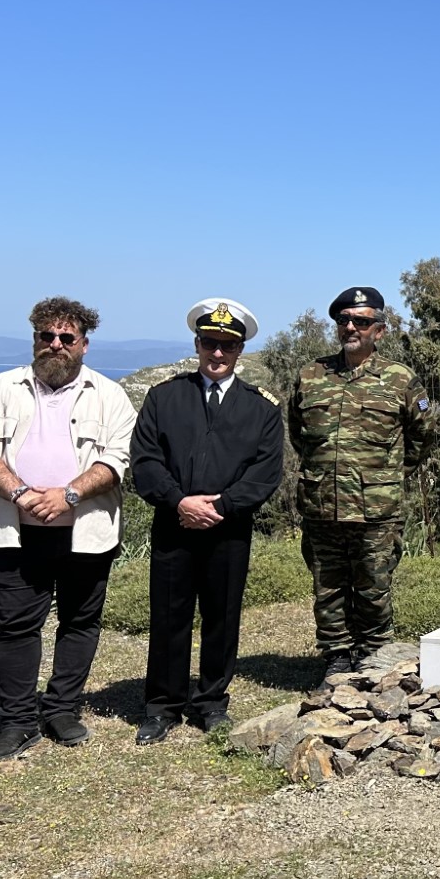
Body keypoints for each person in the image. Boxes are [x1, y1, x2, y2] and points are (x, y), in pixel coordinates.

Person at [0, 297, 136, 764]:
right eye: (46, 336)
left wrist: (69, 495)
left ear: (84, 345)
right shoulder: (0, 389)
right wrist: (20, 493)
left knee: (79, 622)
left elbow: (118, 458)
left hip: (86, 531)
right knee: (16, 626)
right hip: (16, 530)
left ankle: (61, 710)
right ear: (34, 338)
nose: (55, 345)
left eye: (66, 338)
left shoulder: (109, 395)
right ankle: (17, 723)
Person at [129, 298, 285, 743]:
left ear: (239, 351)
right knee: (169, 616)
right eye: (210, 343)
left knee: (222, 616)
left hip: (229, 530)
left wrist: (221, 507)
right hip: (173, 526)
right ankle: (162, 707)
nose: (218, 354)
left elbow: (265, 472)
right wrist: (179, 502)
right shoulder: (164, 397)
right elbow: (146, 460)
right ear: (197, 344)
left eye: (228, 346)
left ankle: (211, 702)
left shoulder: (262, 408)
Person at [290, 286, 435, 679]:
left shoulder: (400, 379)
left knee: (374, 587)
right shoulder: (311, 375)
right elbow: (299, 434)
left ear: (379, 330)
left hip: (376, 507)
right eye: (345, 321)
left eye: (362, 321)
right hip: (322, 504)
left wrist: (387, 476)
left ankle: (374, 660)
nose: (352, 327)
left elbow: (422, 435)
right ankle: (336, 658)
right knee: (328, 588)